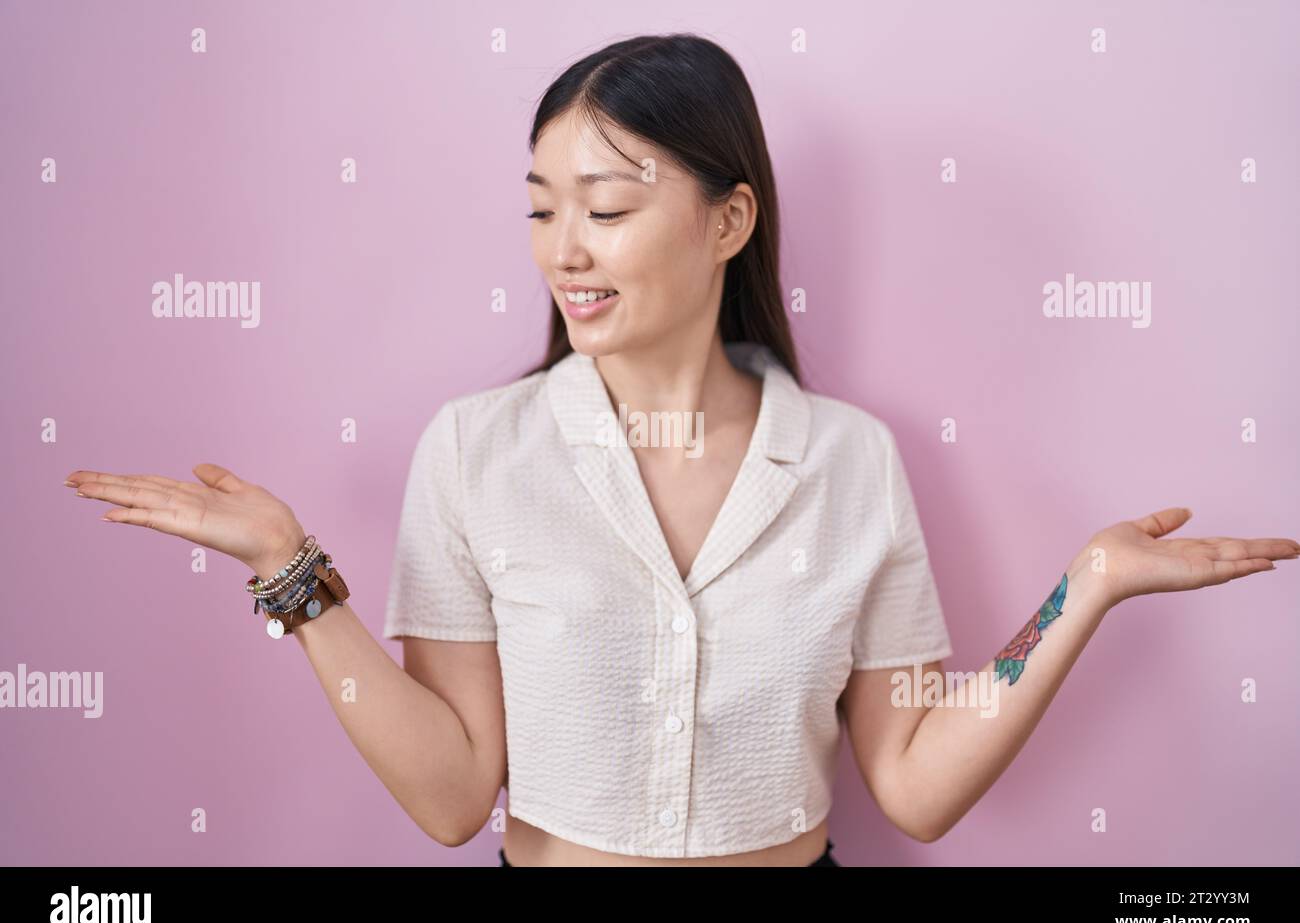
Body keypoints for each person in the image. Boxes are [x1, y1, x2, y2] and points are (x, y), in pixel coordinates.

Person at [64, 34, 1299, 867]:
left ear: (728, 218)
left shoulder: (851, 462)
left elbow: (915, 784)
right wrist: (293, 569)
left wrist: (1081, 587)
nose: (563, 249)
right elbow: (451, 796)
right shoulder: (476, 451)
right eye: (542, 208)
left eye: (604, 207)